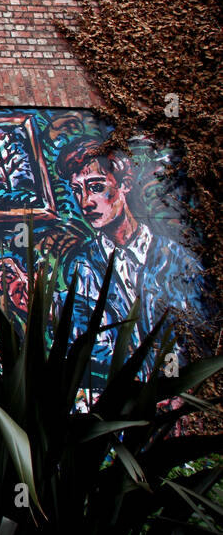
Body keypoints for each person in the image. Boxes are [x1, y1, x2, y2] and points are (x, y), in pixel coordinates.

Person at [55, 137, 207, 389]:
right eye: (77, 190)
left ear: (125, 185)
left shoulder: (175, 258)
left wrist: (173, 385)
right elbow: (88, 347)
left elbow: (195, 335)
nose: (85, 202)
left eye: (95, 186)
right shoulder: (82, 265)